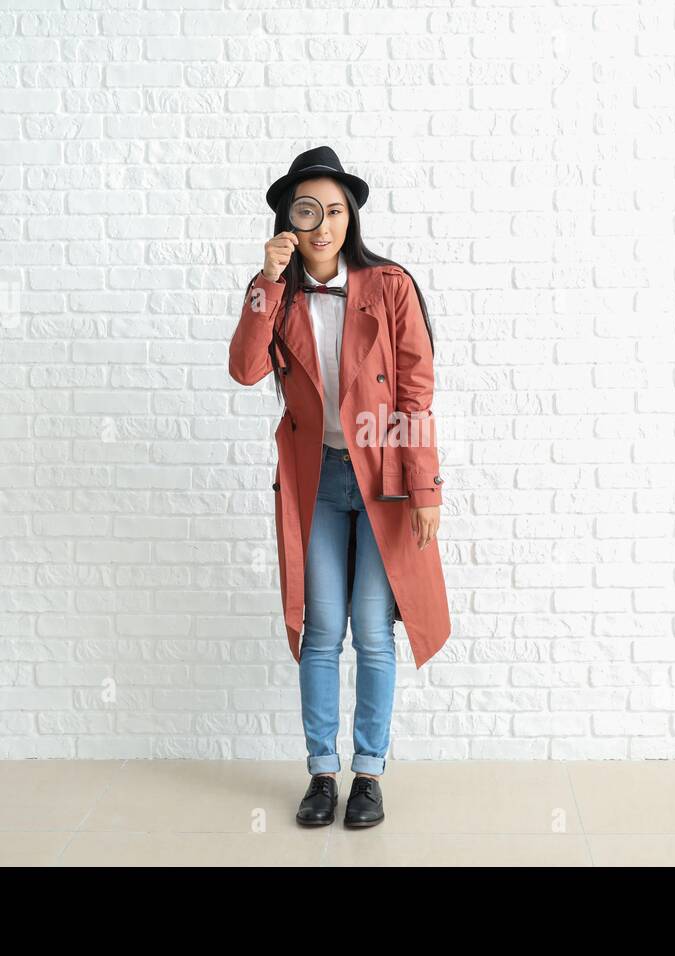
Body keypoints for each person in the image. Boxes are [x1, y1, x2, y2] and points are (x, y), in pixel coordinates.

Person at [228, 146, 451, 828]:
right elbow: (243, 369)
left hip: (384, 478)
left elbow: (415, 389)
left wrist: (426, 488)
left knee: (376, 636)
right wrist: (265, 284)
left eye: (334, 209)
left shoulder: (389, 285)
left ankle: (369, 777)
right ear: (287, 222)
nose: (323, 223)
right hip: (317, 481)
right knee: (322, 628)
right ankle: (321, 775)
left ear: (349, 214)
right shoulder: (275, 292)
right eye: (307, 210)